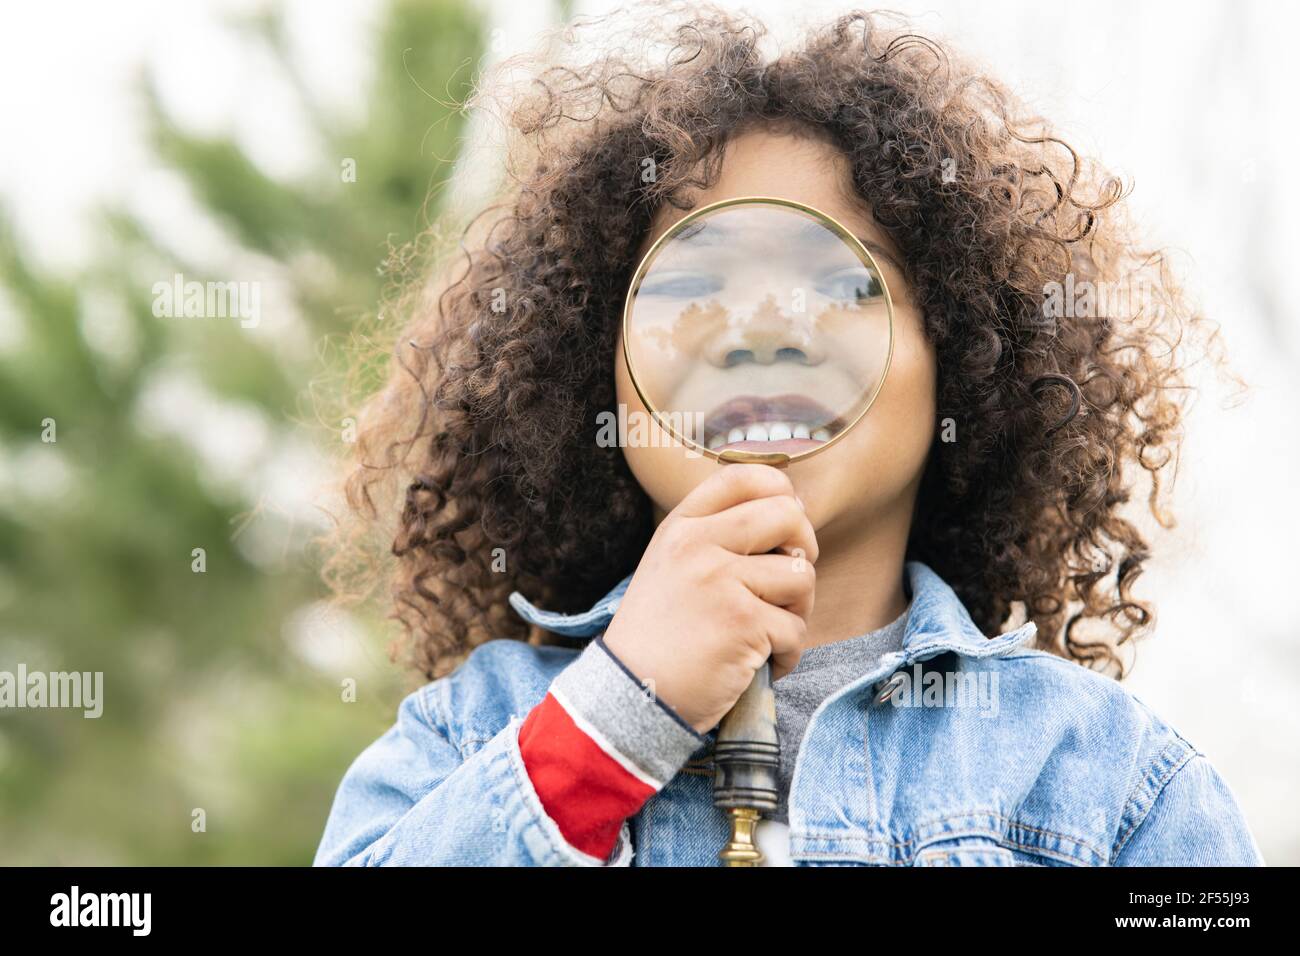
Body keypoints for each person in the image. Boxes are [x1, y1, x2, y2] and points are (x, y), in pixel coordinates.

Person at [313, 6, 1263, 866]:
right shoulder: (468, 736)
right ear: (591, 369)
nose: (761, 331)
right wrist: (616, 718)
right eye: (690, 286)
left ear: (966, 358)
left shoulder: (1112, 790)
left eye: (841, 286)